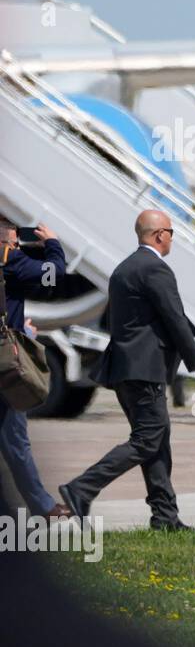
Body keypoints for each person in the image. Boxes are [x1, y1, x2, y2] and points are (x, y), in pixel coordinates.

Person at [60, 210, 195, 531]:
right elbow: (175, 319)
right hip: (146, 371)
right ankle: (81, 488)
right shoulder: (156, 270)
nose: (172, 238)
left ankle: (165, 516)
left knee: (157, 440)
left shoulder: (123, 269)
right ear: (159, 235)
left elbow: (123, 321)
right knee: (147, 440)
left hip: (125, 370)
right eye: (171, 232)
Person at [0, 218, 70, 519]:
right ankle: (44, 508)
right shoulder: (10, 261)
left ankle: (42, 505)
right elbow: (54, 276)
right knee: (16, 440)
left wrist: (17, 327)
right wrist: (52, 244)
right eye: (14, 232)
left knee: (14, 439)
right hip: (4, 366)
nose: (18, 240)